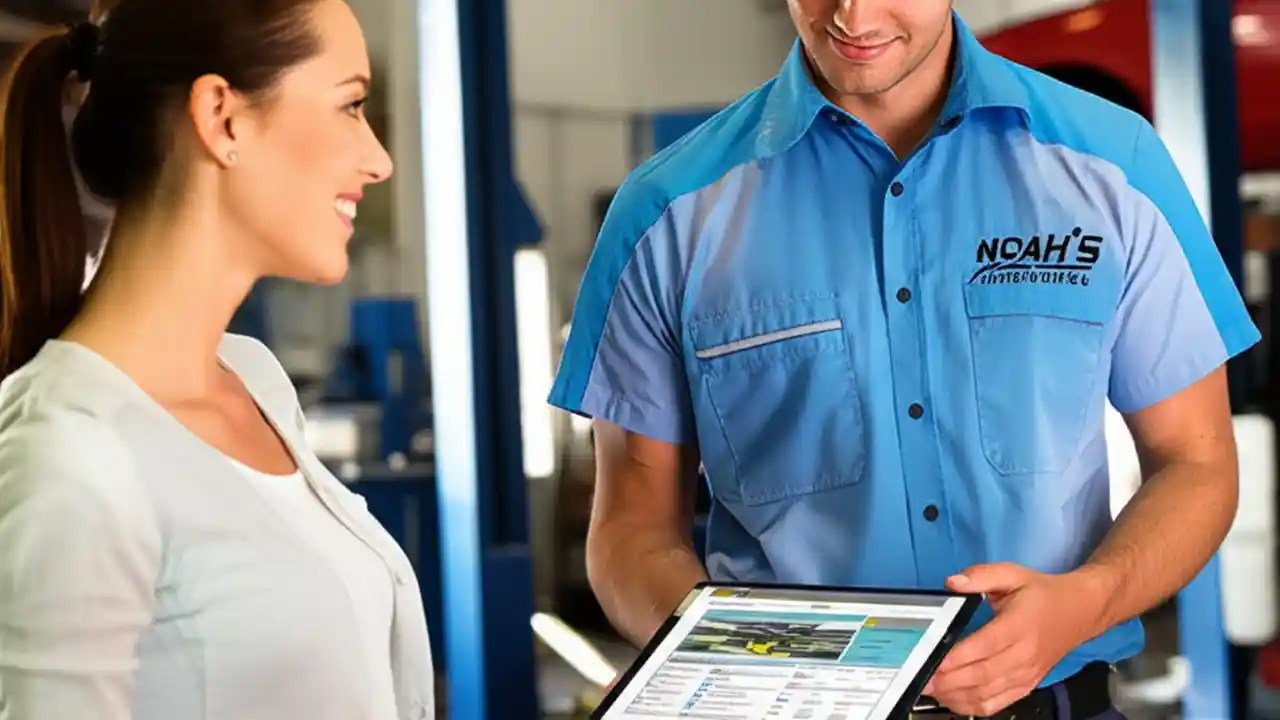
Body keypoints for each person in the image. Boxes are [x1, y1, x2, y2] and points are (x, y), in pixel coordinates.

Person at [550, 1, 1257, 717]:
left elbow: (1196, 463)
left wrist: (1087, 600)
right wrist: (718, 654)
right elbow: (632, 528)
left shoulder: (1114, 168)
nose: (853, 13)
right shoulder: (667, 210)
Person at [0, 1, 435, 718]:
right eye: (351, 105)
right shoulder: (67, 452)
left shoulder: (255, 378)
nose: (380, 160)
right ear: (222, 118)